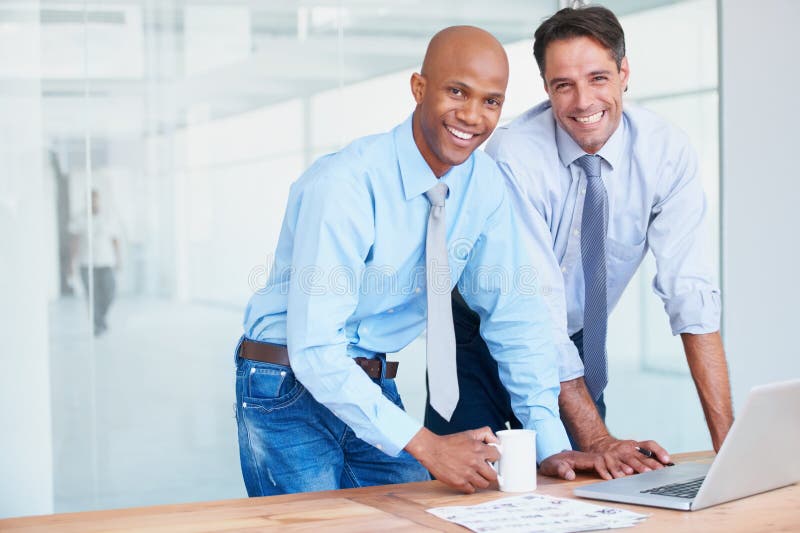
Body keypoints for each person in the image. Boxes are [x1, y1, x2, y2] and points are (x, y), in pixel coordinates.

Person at [236, 25, 610, 497]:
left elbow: (515, 313)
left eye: (491, 101)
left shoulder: (485, 184)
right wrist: (429, 446)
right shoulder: (345, 184)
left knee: (416, 517)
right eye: (457, 92)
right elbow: (314, 349)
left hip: (368, 380)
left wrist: (550, 443)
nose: (473, 116)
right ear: (419, 88)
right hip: (285, 380)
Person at [425, 5, 733, 473]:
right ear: (546, 89)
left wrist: (730, 452)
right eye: (563, 85)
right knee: (469, 487)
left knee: (589, 483)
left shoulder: (666, 153)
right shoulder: (515, 155)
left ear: (624, 72)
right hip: (479, 334)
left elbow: (692, 297)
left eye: (598, 78)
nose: (583, 101)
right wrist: (597, 436)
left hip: (576, 337)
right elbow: (535, 306)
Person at [69, 189, 121, 336]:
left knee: (110, 292)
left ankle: (101, 319)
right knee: (91, 296)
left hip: (106, 262)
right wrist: (71, 263)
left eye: (95, 199)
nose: (93, 202)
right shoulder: (79, 218)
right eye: (90, 199)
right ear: (87, 201)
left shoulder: (108, 217)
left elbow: (115, 240)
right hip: (86, 263)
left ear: (99, 200)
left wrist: (119, 259)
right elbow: (74, 241)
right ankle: (98, 325)